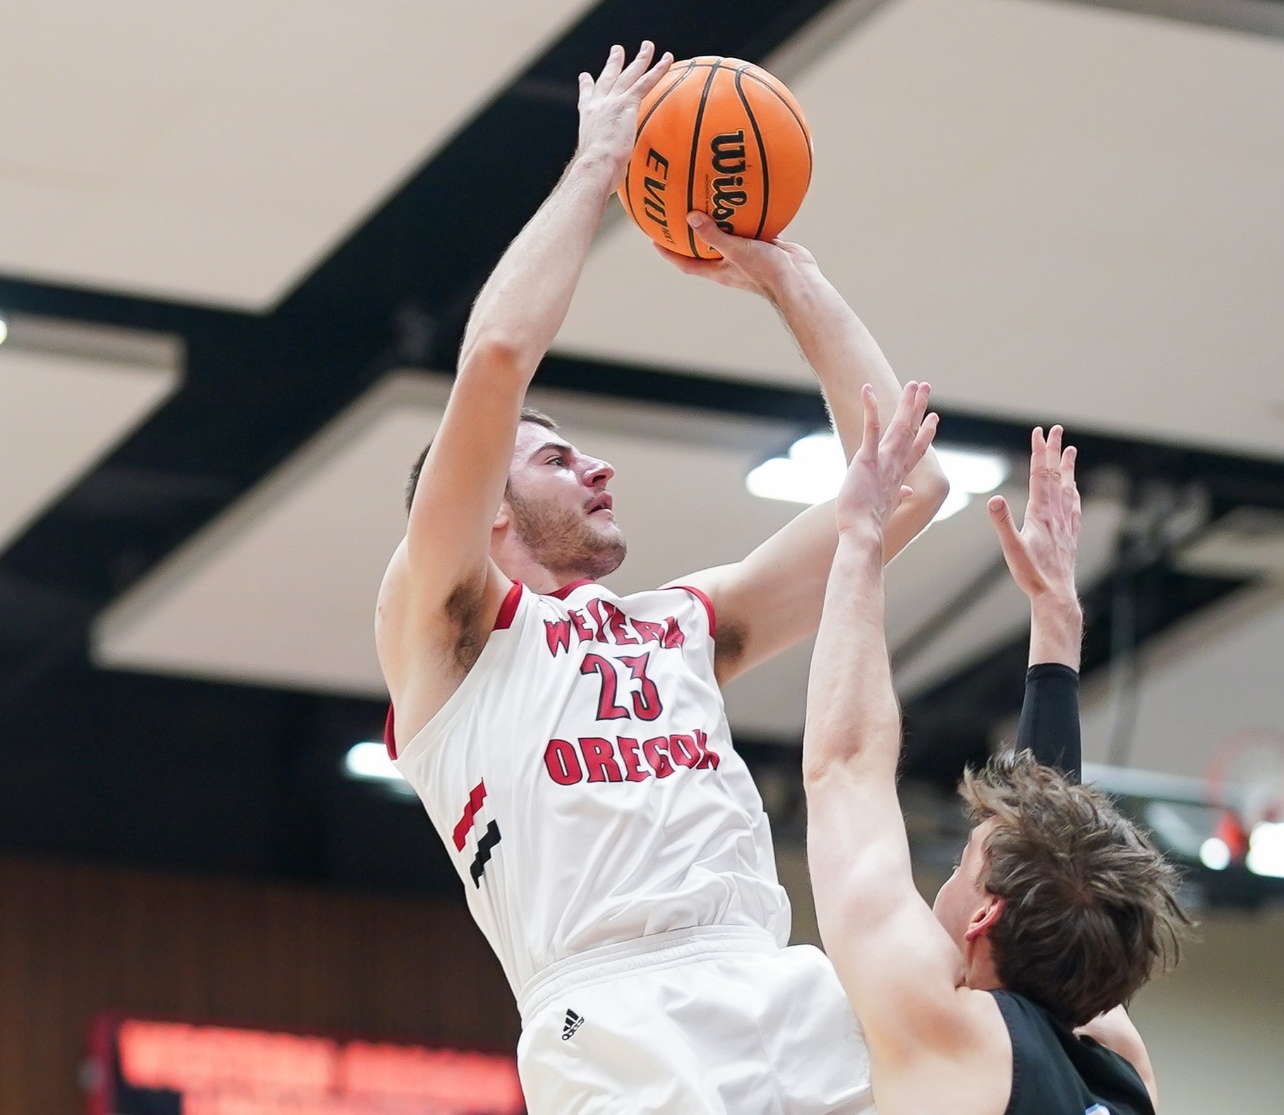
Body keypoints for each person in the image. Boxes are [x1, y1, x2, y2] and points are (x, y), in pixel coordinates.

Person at [373, 41, 950, 1113]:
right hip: (615, 1017)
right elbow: (495, 355)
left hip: (776, 984)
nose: (593, 464)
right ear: (483, 510)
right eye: (553, 457)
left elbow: (904, 489)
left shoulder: (686, 622)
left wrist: (789, 274)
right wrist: (596, 167)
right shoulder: (447, 632)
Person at [802, 397, 1191, 1115]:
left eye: (961, 866)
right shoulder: (1122, 1074)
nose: (943, 883)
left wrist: (860, 537)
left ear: (984, 917)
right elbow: (1055, 841)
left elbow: (848, 768)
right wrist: (1056, 624)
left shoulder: (956, 1034)